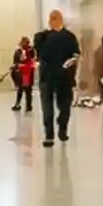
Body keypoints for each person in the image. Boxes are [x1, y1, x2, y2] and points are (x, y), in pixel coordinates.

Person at [33, 9, 81, 148]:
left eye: (55, 18)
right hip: (50, 76)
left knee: (63, 106)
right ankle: (50, 133)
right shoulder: (42, 37)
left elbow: (76, 55)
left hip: (61, 76)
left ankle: (60, 128)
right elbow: (38, 54)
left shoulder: (69, 37)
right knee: (49, 106)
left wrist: (66, 65)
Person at [10, 36, 36, 113]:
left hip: (24, 73)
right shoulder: (29, 51)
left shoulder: (24, 51)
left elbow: (16, 63)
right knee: (27, 90)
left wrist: (17, 66)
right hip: (26, 73)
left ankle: (19, 105)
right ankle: (28, 106)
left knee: (22, 89)